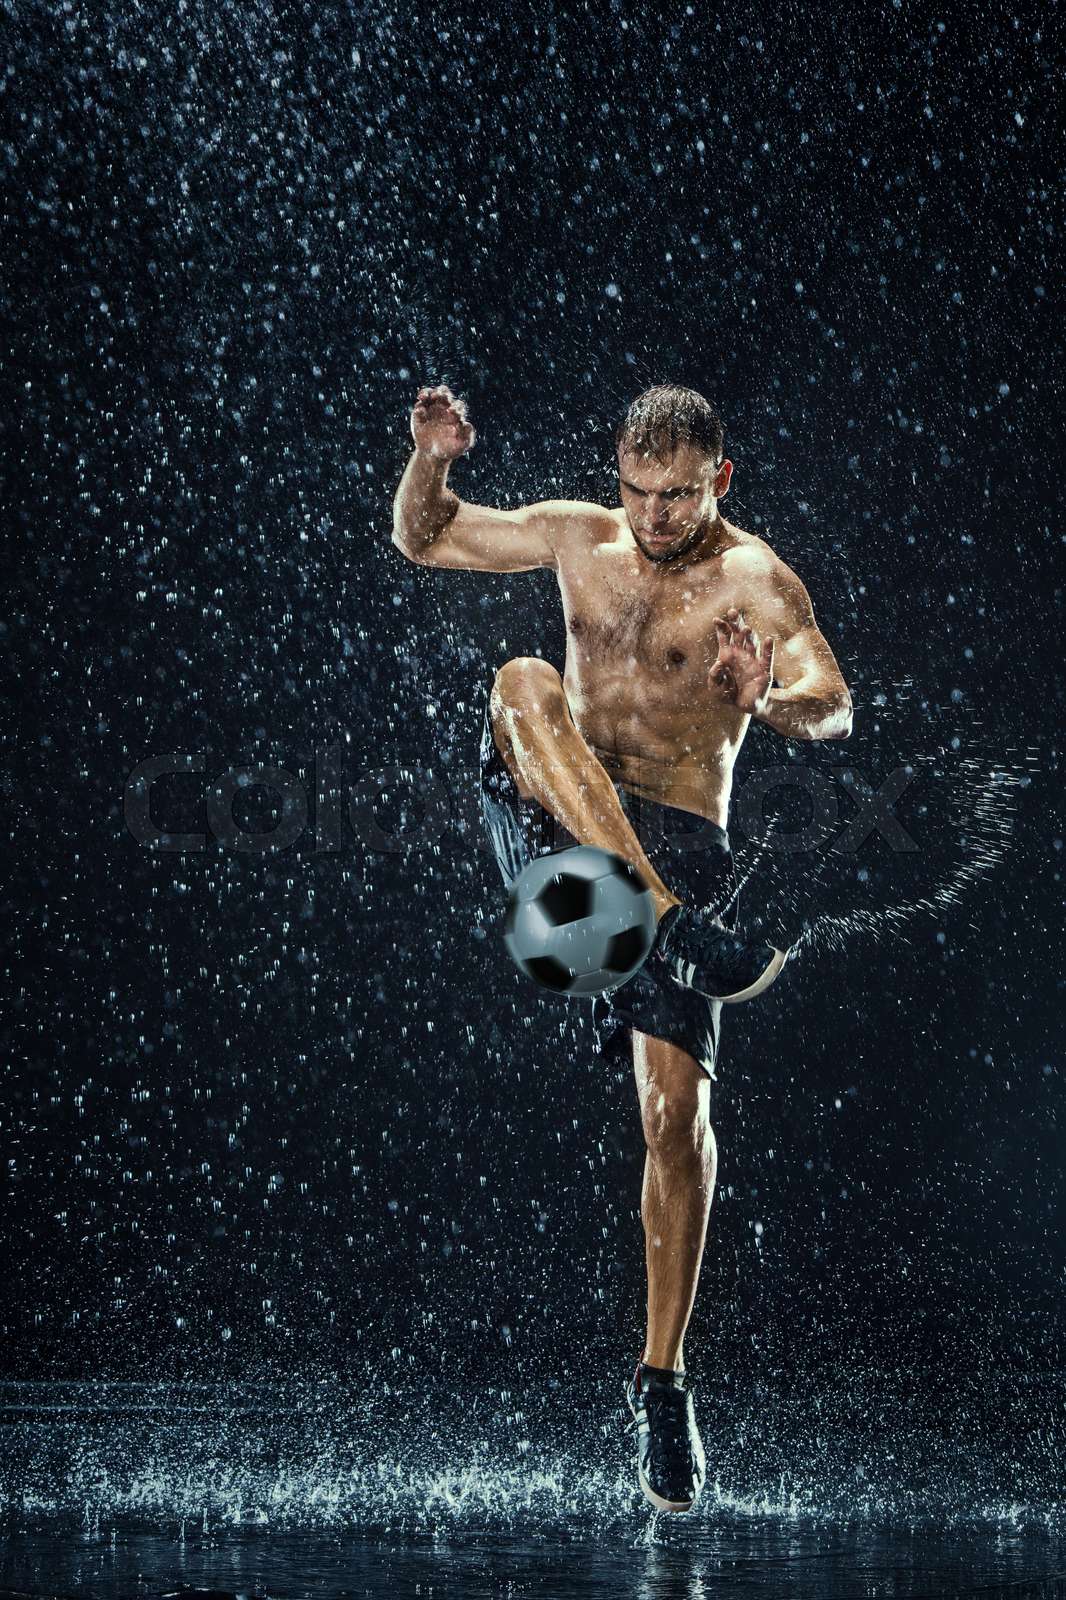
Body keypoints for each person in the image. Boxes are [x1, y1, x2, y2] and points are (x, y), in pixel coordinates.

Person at [391, 381, 853, 1514]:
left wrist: (768, 696)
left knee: (672, 1118)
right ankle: (666, 924)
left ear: (720, 482)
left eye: (679, 495)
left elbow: (830, 700)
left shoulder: (756, 579)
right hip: (562, 861)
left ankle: (662, 1380)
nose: (653, 518)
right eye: (639, 493)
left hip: (681, 841)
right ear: (617, 475)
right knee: (517, 681)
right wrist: (428, 462)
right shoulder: (574, 537)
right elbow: (426, 536)